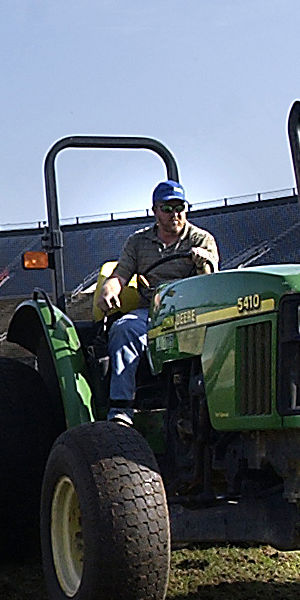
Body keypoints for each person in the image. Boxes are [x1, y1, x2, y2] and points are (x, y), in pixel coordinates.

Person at [98, 180, 218, 425]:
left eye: (180, 207)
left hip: (190, 310)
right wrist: (108, 290)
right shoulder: (138, 242)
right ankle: (121, 409)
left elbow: (211, 282)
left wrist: (203, 262)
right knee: (124, 328)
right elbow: (120, 275)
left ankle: (209, 405)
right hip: (152, 311)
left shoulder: (201, 239)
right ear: (155, 210)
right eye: (167, 208)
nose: (175, 214)